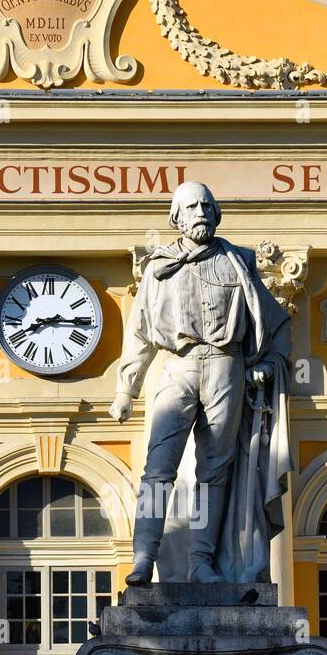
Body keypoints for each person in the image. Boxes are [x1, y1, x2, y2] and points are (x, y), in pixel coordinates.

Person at [109, 181, 293, 585]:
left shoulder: (237, 264)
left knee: (215, 472)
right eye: (192, 207)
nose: (201, 213)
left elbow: (276, 324)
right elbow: (138, 332)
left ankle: (201, 563)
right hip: (178, 365)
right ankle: (144, 557)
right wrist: (127, 388)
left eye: (208, 206)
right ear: (175, 217)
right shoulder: (159, 270)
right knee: (158, 469)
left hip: (226, 368)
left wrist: (268, 363)